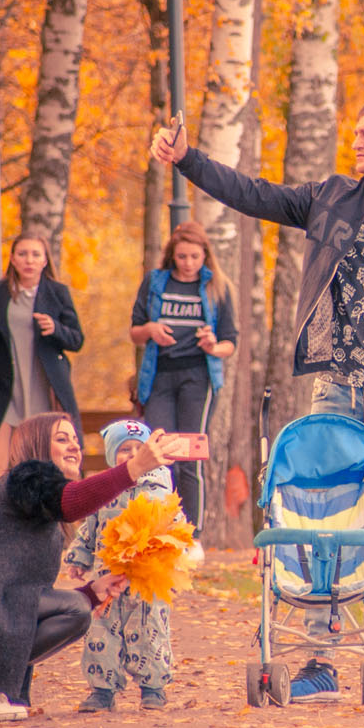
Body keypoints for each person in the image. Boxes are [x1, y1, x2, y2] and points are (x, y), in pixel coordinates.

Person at [150, 95, 364, 703]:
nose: (355, 143)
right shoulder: (333, 198)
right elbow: (255, 193)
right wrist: (188, 159)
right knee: (317, 522)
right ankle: (320, 660)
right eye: (354, 133)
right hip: (336, 392)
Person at [0, 413, 177, 722]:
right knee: (75, 611)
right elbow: (71, 503)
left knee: (80, 606)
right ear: (36, 445)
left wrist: (92, 591)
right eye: (61, 439)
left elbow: (27, 590)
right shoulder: (24, 477)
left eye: (76, 440)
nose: (74, 447)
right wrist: (134, 469)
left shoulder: (36, 501)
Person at [63, 418, 192, 714]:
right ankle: (102, 690)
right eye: (124, 449)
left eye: (139, 448)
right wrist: (79, 557)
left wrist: (180, 553)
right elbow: (90, 525)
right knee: (100, 632)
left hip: (148, 579)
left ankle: (153, 687)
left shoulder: (162, 487)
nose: (132, 454)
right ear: (111, 456)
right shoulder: (105, 489)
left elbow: (175, 522)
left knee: (151, 630)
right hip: (106, 578)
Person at [130, 222, 238, 523]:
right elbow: (135, 333)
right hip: (159, 376)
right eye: (182, 257)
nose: (188, 263)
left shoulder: (218, 287)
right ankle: (159, 526)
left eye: (194, 257)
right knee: (160, 455)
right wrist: (151, 330)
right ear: (171, 256)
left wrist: (213, 345)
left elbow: (231, 342)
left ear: (205, 256)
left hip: (197, 378)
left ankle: (192, 533)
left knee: (189, 456)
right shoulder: (155, 283)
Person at [0, 234, 85, 492]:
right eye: (23, 254)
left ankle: (60, 523)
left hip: (43, 386)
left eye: (35, 254)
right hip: (3, 388)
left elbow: (76, 340)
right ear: (13, 259)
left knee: (49, 460)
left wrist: (55, 329)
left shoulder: (57, 292)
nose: (29, 260)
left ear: (44, 261)